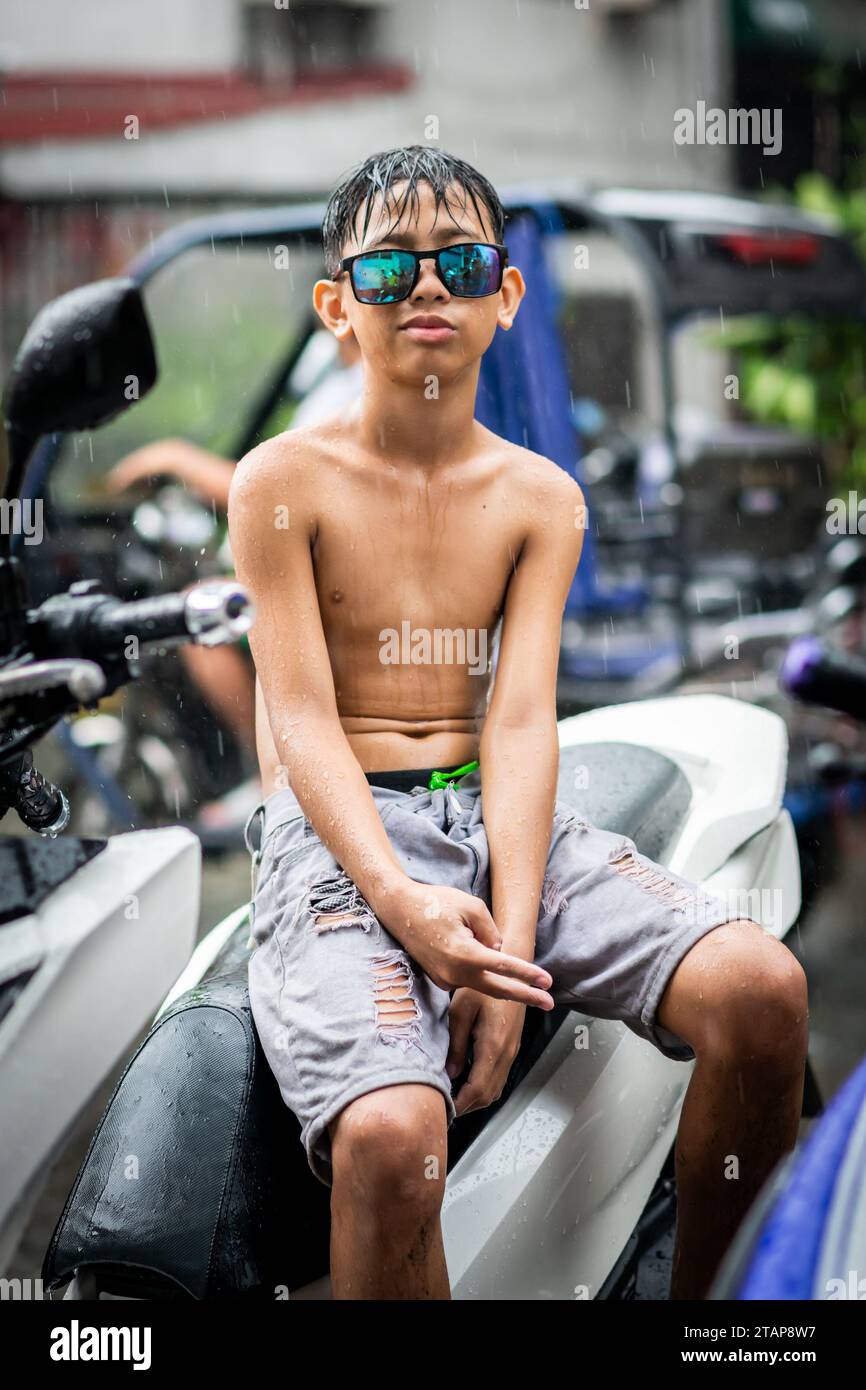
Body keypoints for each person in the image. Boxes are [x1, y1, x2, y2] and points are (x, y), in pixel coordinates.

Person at [228, 145, 809, 1301]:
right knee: (393, 1137)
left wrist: (500, 933)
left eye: (461, 261)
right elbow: (298, 722)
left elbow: (521, 721)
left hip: (496, 822)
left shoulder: (540, 497)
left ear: (507, 293)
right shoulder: (276, 483)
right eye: (389, 267)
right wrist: (403, 901)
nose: (427, 287)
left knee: (761, 991)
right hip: (338, 849)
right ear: (337, 307)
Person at [103, 334, 364, 819]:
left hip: (321, 579)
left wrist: (179, 459)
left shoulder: (366, 389)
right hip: (281, 565)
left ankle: (270, 774)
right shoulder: (322, 372)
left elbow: (280, 492)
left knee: (207, 618)